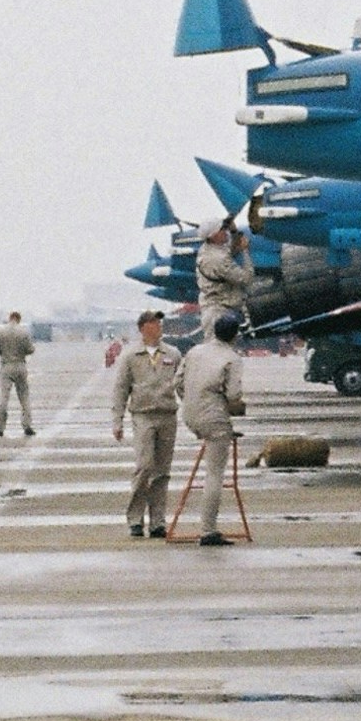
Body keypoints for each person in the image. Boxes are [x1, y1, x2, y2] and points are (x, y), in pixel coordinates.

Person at [179, 310, 247, 543]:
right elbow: (234, 395)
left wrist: (192, 401)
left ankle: (206, 527)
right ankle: (208, 530)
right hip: (214, 418)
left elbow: (178, 382)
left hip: (189, 414)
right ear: (235, 335)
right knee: (214, 474)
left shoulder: (195, 351)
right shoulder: (232, 358)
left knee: (212, 466)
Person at [112, 306, 181, 536]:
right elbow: (121, 389)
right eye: (154, 323)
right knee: (144, 467)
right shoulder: (130, 356)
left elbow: (182, 386)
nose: (159, 327)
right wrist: (117, 421)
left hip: (167, 415)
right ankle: (135, 519)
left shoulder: (173, 354)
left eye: (160, 323)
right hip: (143, 415)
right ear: (143, 328)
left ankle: (158, 521)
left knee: (162, 472)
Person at [196, 220, 253, 339]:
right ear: (213, 236)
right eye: (222, 230)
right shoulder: (218, 259)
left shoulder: (209, 249)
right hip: (218, 314)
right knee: (218, 351)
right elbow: (246, 278)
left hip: (217, 310)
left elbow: (230, 251)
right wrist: (246, 251)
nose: (225, 232)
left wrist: (234, 232)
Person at [0, 309, 37, 438]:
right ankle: (27, 425)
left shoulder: (0, 332)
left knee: (4, 398)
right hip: (20, 365)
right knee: (24, 397)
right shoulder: (24, 332)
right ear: (19, 319)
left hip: (6, 366)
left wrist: (4, 352)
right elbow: (30, 349)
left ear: (9, 318)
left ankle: (0, 427)